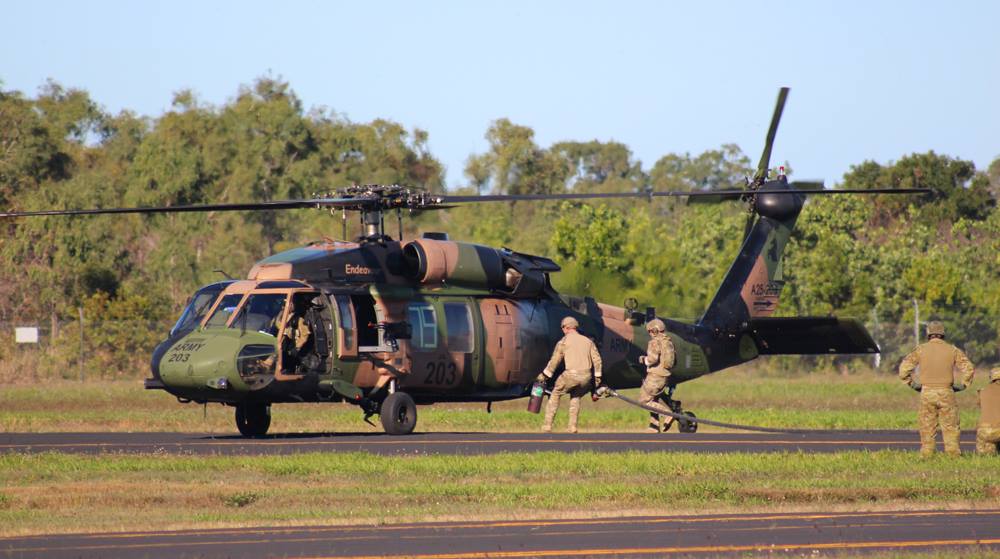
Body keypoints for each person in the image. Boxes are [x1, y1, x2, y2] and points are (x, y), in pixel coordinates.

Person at [898, 320, 975, 456]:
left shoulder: (921, 349)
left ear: (928, 334)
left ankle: (927, 454)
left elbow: (903, 369)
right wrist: (963, 384)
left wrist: (912, 384)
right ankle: (953, 454)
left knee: (927, 425)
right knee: (951, 426)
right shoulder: (952, 350)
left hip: (926, 392)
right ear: (942, 334)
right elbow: (968, 367)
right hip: (947, 392)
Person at [536, 316, 602, 433]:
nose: (562, 330)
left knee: (556, 393)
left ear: (567, 327)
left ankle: (547, 425)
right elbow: (597, 360)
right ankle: (572, 427)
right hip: (586, 377)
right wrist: (597, 378)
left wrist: (544, 375)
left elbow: (555, 361)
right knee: (576, 397)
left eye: (562, 328)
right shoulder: (588, 341)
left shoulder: (563, 342)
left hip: (571, 375)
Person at [638, 318, 676, 432]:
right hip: (664, 376)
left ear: (654, 330)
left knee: (644, 400)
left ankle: (668, 414)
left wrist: (643, 359)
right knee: (653, 400)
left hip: (655, 376)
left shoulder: (654, 342)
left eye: (650, 331)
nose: (649, 334)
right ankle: (654, 426)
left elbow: (652, 359)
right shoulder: (668, 342)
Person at [976, 367, 1000, 455]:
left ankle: (986, 453)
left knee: (987, 449)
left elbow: (980, 405)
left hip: (985, 432)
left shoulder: (982, 391)